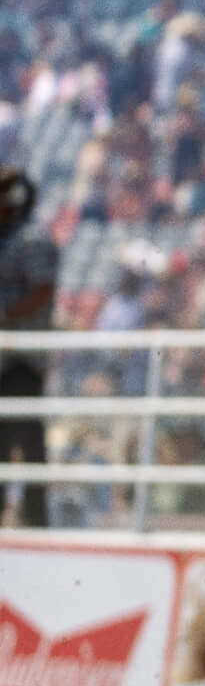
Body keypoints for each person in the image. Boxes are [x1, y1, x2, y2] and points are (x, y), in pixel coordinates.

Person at [0, 169, 58, 528]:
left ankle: (36, 517)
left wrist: (4, 316)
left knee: (27, 438)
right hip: (3, 354)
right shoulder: (5, 238)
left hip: (22, 356)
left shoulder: (33, 238)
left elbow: (41, 291)